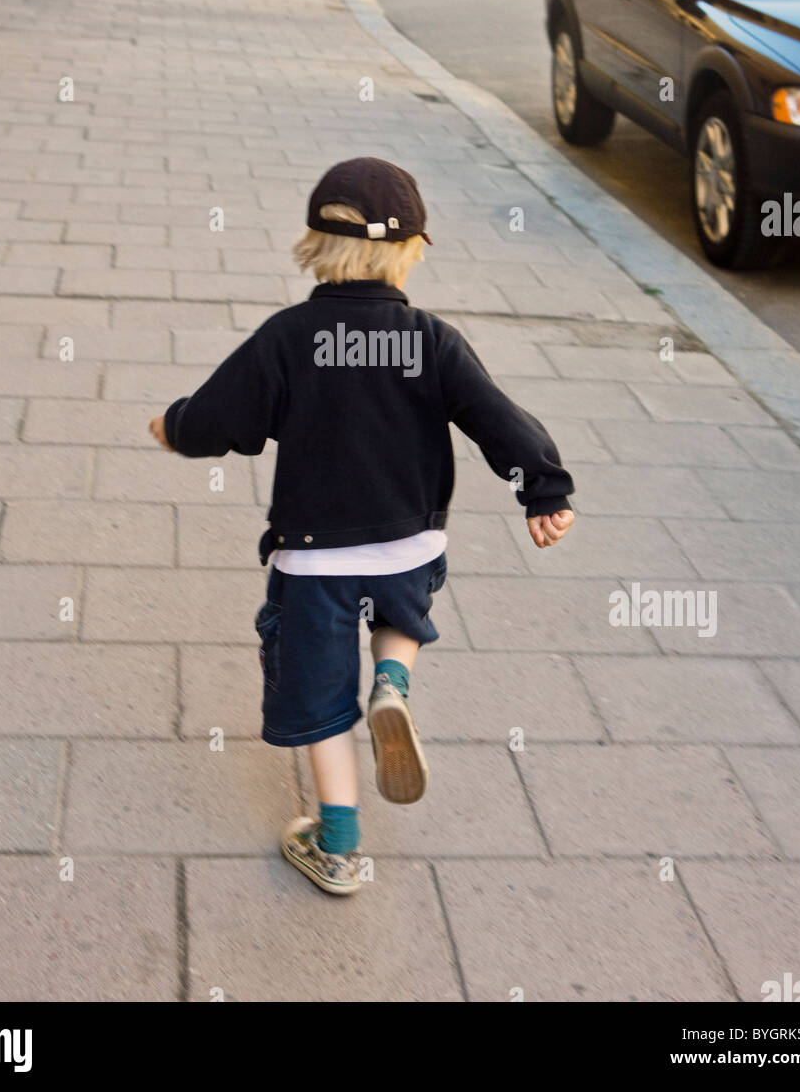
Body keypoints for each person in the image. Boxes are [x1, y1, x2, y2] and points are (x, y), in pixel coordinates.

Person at [149, 157, 575, 895]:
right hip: (408, 544)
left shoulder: (288, 339)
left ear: (315, 246)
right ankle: (393, 681)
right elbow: (495, 416)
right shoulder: (429, 340)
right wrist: (543, 487)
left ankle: (338, 846)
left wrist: (173, 426)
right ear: (410, 252)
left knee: (318, 705)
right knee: (400, 612)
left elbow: (220, 415)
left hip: (314, 562)